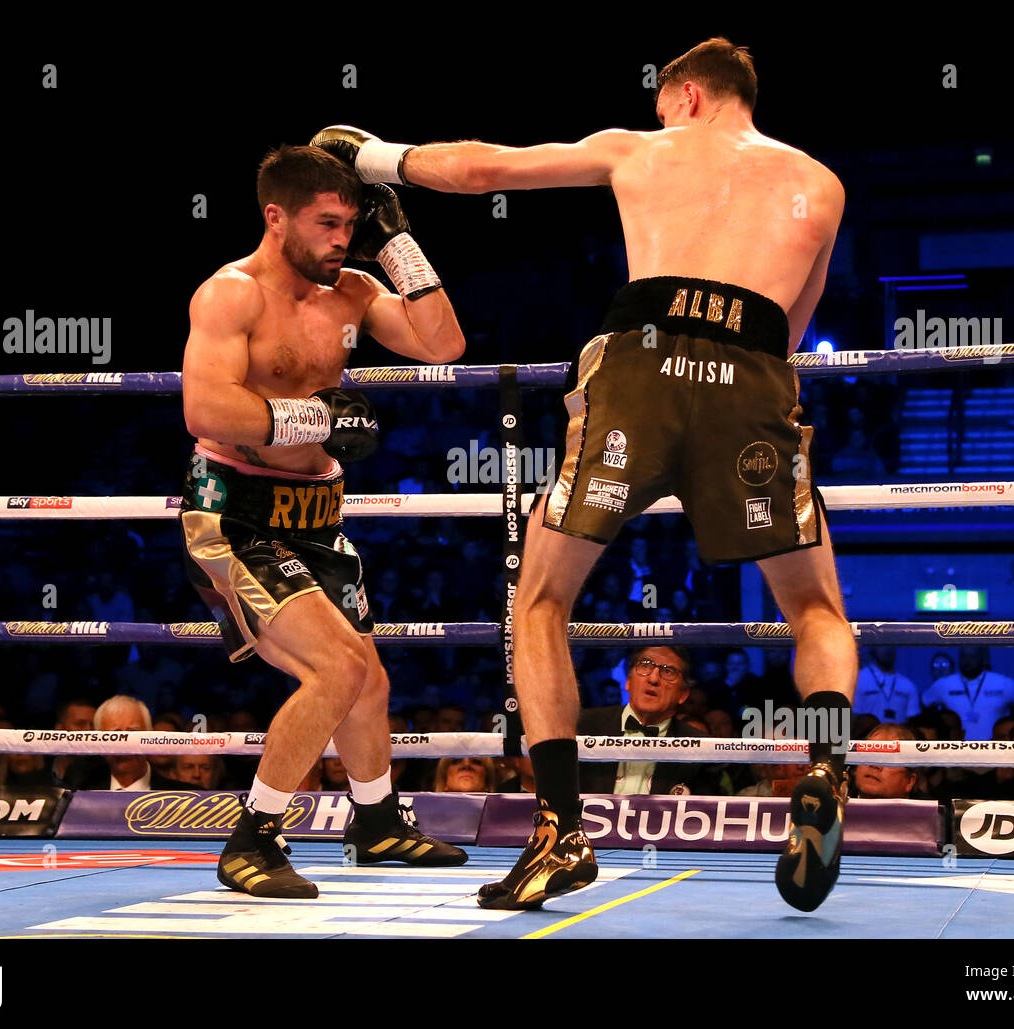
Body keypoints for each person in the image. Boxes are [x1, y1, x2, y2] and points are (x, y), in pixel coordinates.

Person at [314, 35, 855, 911]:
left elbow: (485, 169)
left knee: (540, 598)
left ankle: (562, 830)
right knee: (816, 607)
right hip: (753, 376)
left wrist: (375, 157)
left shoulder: (641, 148)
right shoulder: (821, 183)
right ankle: (828, 764)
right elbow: (790, 329)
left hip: (640, 364)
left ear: (683, 95)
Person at [179, 145, 468, 897]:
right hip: (234, 517)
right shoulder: (230, 295)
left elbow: (444, 344)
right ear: (276, 217)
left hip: (317, 516)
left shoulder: (354, 289)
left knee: (368, 679)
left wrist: (400, 242)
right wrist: (314, 415)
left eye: (353, 223)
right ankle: (252, 838)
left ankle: (375, 822)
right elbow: (206, 408)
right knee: (335, 668)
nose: (343, 238)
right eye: (327, 223)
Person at [577, 645, 718, 796]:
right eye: (645, 666)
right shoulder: (582, 725)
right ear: (628, 681)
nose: (653, 679)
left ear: (682, 694)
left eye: (668, 672)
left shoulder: (701, 749)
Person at [923, 647, 1014, 741]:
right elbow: (922, 708)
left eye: (972, 656)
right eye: (963, 657)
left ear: (982, 659)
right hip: (955, 753)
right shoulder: (943, 684)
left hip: (995, 752)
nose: (967, 661)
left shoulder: (1002, 683)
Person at [853, 646, 921, 723]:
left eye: (891, 645)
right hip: (866, 734)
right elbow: (854, 716)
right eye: (882, 645)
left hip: (899, 733)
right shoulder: (858, 680)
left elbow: (912, 719)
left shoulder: (908, 685)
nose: (888, 649)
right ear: (872, 649)